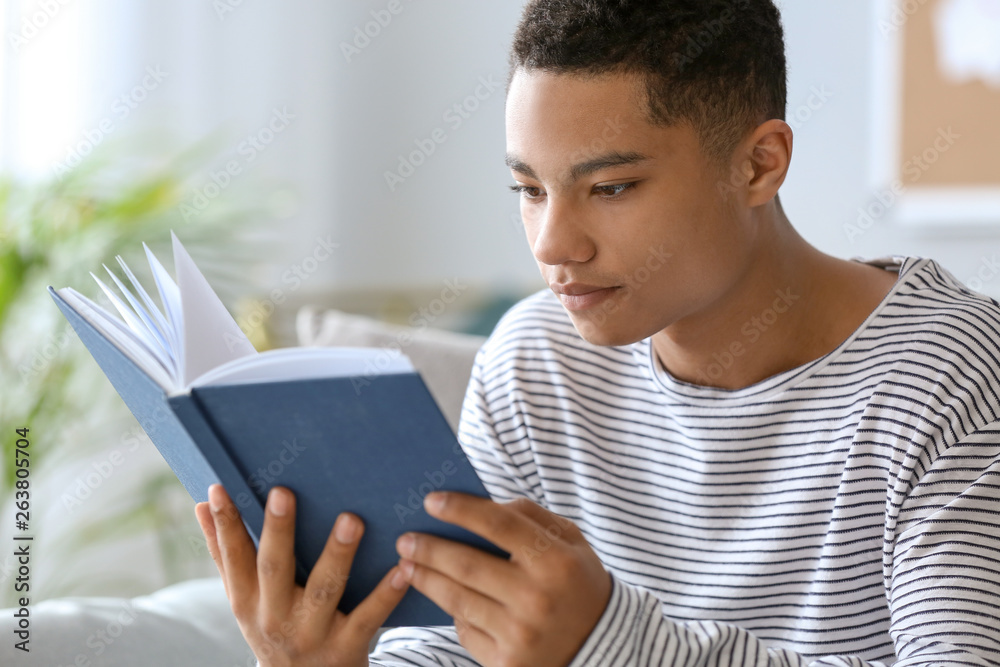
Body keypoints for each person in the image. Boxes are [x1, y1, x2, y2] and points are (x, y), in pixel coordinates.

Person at [196, 1, 1000, 665]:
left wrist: (610, 639)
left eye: (611, 186)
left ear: (759, 164)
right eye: (529, 188)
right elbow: (454, 648)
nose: (553, 245)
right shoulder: (535, 363)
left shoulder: (950, 377)